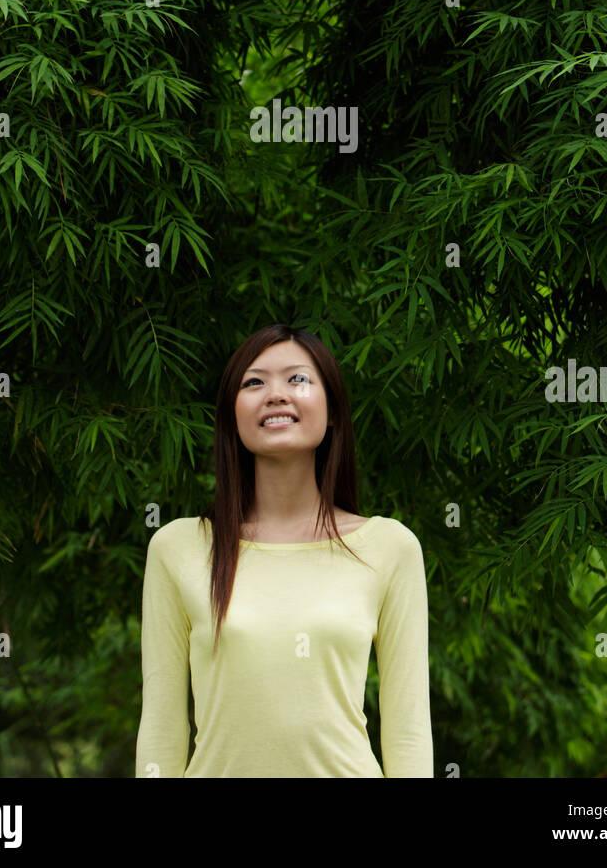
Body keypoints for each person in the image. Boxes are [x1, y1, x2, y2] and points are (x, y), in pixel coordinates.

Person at [135, 322, 433, 777]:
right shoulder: (178, 547)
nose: (275, 394)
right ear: (232, 414)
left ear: (331, 410)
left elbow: (408, 732)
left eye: (297, 379)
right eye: (254, 382)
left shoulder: (389, 547)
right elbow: (161, 724)